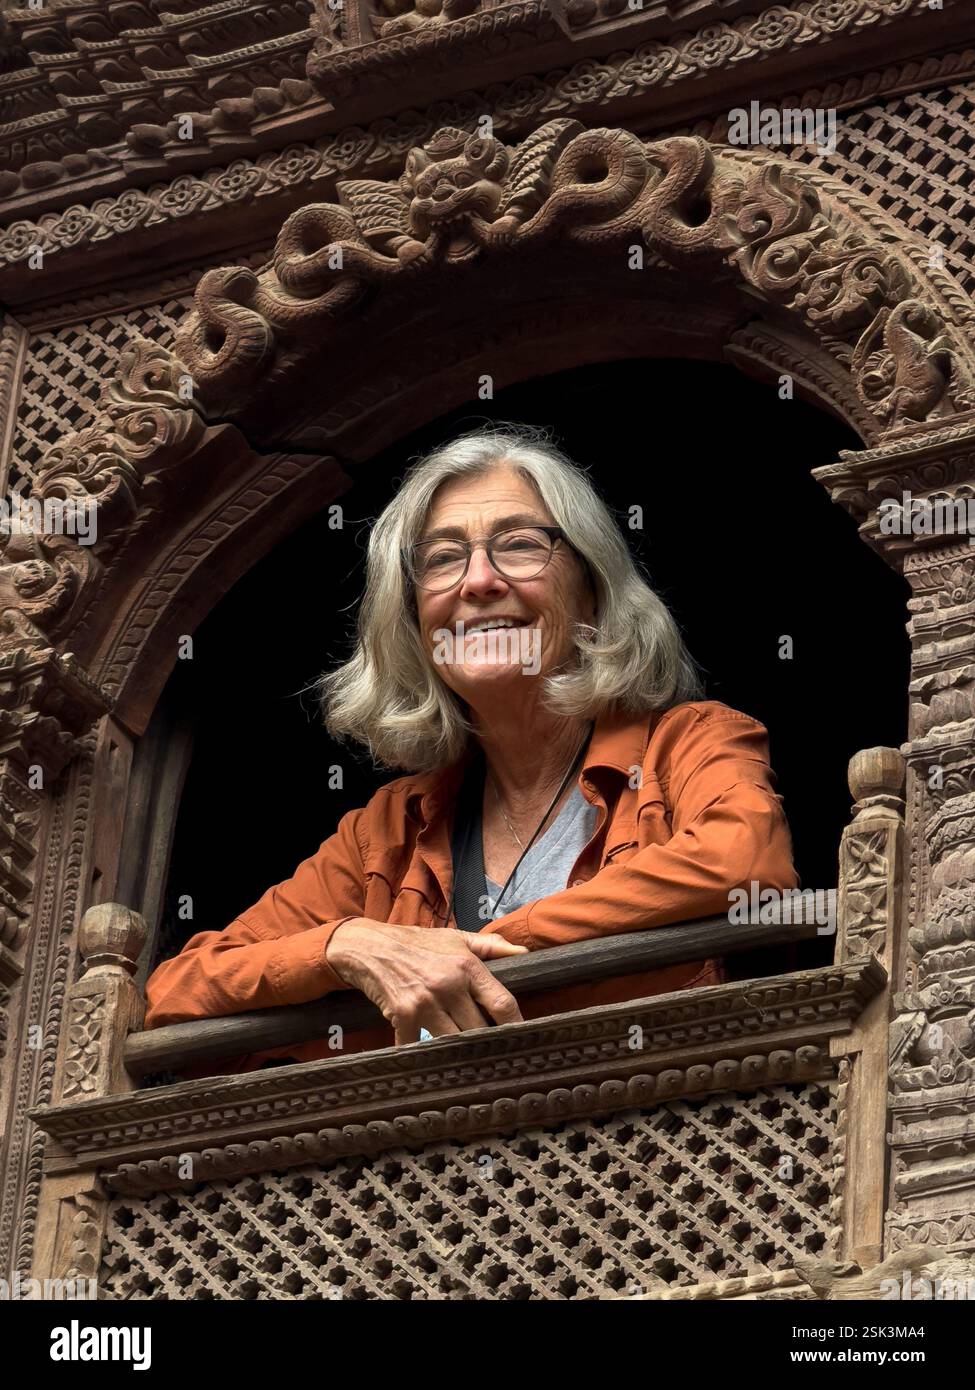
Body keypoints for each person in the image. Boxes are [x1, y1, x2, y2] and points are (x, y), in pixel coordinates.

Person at [144, 424, 798, 1069]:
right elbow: (173, 997)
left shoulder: (686, 741)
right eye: (442, 558)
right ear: (412, 623)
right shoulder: (389, 829)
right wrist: (349, 944)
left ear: (591, 597)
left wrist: (474, 949)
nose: (477, 581)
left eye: (517, 546)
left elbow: (743, 862)